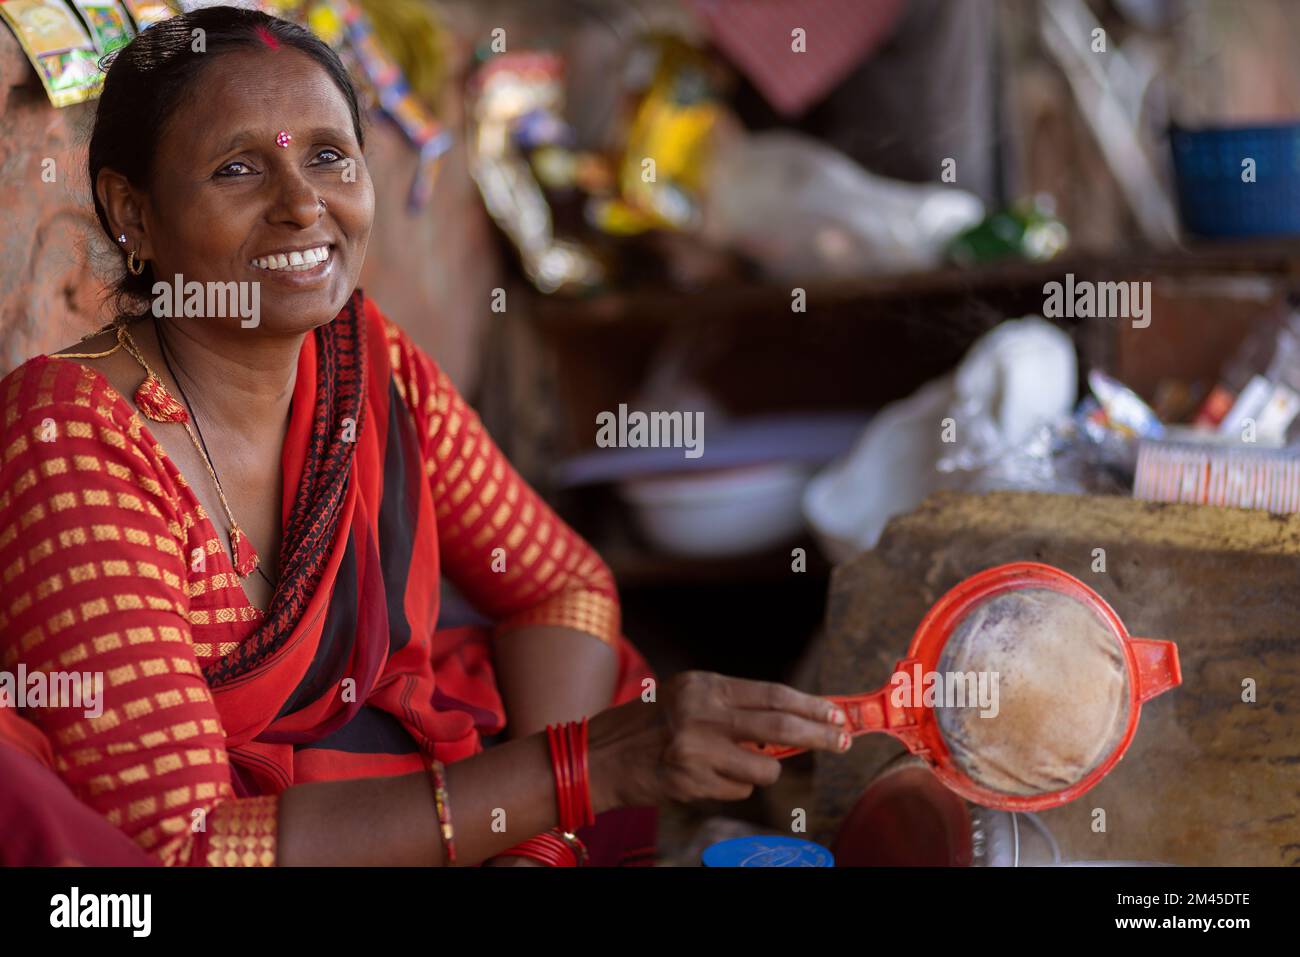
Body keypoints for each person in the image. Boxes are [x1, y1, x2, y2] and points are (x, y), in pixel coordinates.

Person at [0, 7, 849, 867]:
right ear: (130, 211)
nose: (303, 205)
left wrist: (541, 830)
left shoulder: (363, 366)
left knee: (601, 677)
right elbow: (184, 846)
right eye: (237, 169)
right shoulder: (73, 433)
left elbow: (557, 586)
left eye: (329, 156)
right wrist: (577, 771)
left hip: (393, 804)